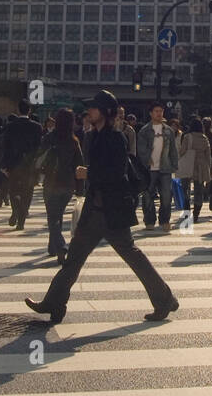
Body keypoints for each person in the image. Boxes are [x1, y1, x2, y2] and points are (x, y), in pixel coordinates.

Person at [25, 90, 178, 323]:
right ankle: (54, 303)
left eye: (94, 108)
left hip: (111, 210)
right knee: (75, 258)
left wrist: (89, 173)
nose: (89, 112)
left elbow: (117, 174)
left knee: (131, 256)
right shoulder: (93, 136)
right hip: (95, 209)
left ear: (106, 112)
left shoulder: (115, 138)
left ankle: (164, 298)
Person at [39, 108, 83, 263]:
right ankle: (53, 248)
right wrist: (80, 187)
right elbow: (80, 164)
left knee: (52, 218)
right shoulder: (73, 141)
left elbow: (40, 158)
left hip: (52, 181)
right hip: (68, 183)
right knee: (57, 215)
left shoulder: (49, 138)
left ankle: (61, 245)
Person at [1, 99, 44, 230]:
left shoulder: (10, 126)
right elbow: (39, 149)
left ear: (18, 110)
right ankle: (21, 221)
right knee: (27, 192)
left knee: (13, 190)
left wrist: (5, 165)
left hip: (14, 165)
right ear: (29, 110)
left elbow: (6, 147)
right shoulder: (37, 127)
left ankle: (15, 210)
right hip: (30, 166)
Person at [138, 102, 179, 232]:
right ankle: (149, 220)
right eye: (156, 111)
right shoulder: (145, 130)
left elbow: (173, 149)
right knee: (148, 195)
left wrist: (174, 164)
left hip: (165, 168)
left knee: (166, 195)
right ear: (151, 113)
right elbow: (141, 149)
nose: (159, 113)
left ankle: (165, 220)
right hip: (149, 169)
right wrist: (146, 159)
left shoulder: (168, 130)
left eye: (161, 111)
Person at [177, 117, 212, 224]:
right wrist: (208, 169)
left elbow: (182, 152)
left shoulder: (187, 137)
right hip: (201, 166)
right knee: (198, 191)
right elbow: (208, 155)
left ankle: (187, 214)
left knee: (185, 190)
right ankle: (196, 214)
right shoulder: (204, 138)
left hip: (189, 165)